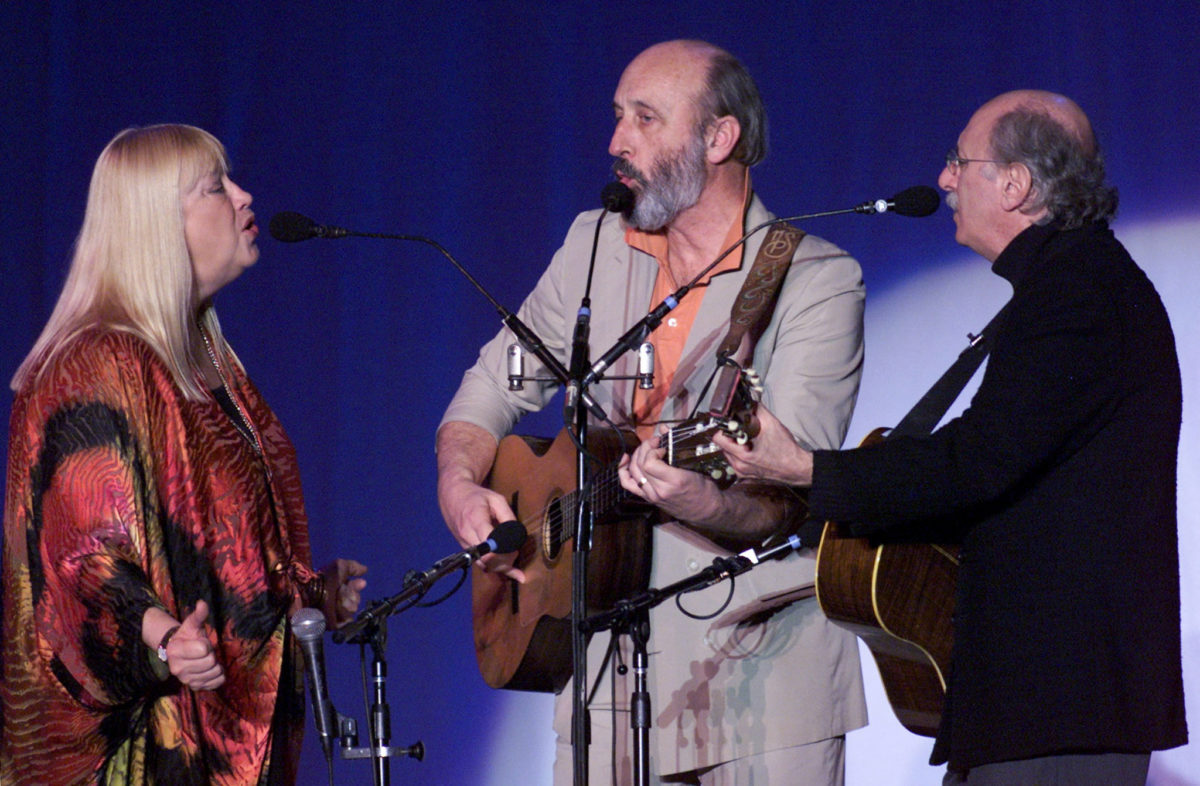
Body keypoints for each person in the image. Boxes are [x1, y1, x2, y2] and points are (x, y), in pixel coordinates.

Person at [716, 90, 1188, 784]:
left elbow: (976, 464)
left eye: (958, 161)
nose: (943, 180)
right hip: (1035, 710)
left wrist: (807, 470)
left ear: (1016, 183)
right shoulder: (1069, 285)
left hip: (1061, 710)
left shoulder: (1079, 294)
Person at [437, 40, 867, 784]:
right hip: (599, 661)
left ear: (719, 138)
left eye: (644, 118)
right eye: (616, 117)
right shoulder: (593, 246)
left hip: (759, 676)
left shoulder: (813, 282)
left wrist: (707, 499)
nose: (615, 142)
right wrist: (459, 482)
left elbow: (789, 498)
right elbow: (497, 381)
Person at [0, 124, 369, 785]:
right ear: (158, 226)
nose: (244, 194)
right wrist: (162, 636)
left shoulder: (211, 363)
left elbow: (214, 551)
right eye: (214, 187)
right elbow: (78, 558)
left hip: (214, 743)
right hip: (136, 753)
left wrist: (306, 592)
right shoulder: (97, 362)